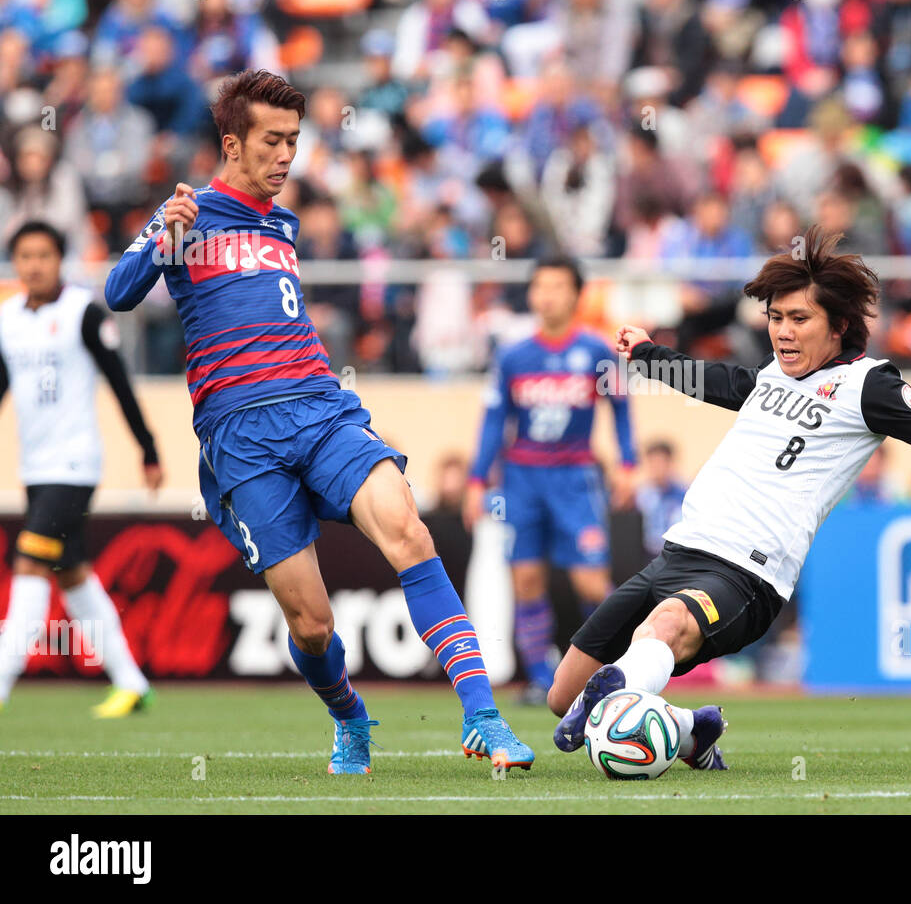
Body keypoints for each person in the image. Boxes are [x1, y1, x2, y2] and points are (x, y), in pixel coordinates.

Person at [546, 226, 911, 769]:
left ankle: (620, 692)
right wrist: (648, 354)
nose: (783, 331)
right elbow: (716, 381)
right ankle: (693, 731)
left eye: (799, 318)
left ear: (839, 324)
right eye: (775, 318)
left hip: (745, 575)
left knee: (664, 628)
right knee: (561, 696)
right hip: (678, 554)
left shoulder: (868, 386)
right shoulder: (771, 376)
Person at [104, 70, 532, 773]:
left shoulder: (283, 222)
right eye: (272, 141)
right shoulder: (185, 214)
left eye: (295, 141)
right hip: (240, 436)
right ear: (231, 143)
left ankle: (483, 717)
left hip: (322, 408)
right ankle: (350, 717)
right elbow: (119, 295)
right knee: (312, 622)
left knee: (410, 531)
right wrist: (160, 237)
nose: (286, 156)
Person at [0, 221, 162, 717]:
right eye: (25, 256)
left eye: (43, 255)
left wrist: (148, 447)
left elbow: (119, 382)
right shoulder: (7, 318)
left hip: (75, 465)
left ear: (60, 260)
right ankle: (132, 682)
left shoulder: (83, 314)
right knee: (71, 575)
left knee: (28, 563)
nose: (33, 265)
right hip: (36, 467)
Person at [464, 256, 637, 704]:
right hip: (521, 479)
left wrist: (628, 464)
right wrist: (476, 480)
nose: (547, 295)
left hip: (576, 478)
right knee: (525, 580)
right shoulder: (513, 355)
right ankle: (543, 679)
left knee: (591, 585)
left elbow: (620, 410)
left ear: (576, 295)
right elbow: (493, 420)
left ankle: (615, 669)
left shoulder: (597, 352)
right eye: (540, 286)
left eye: (557, 286)